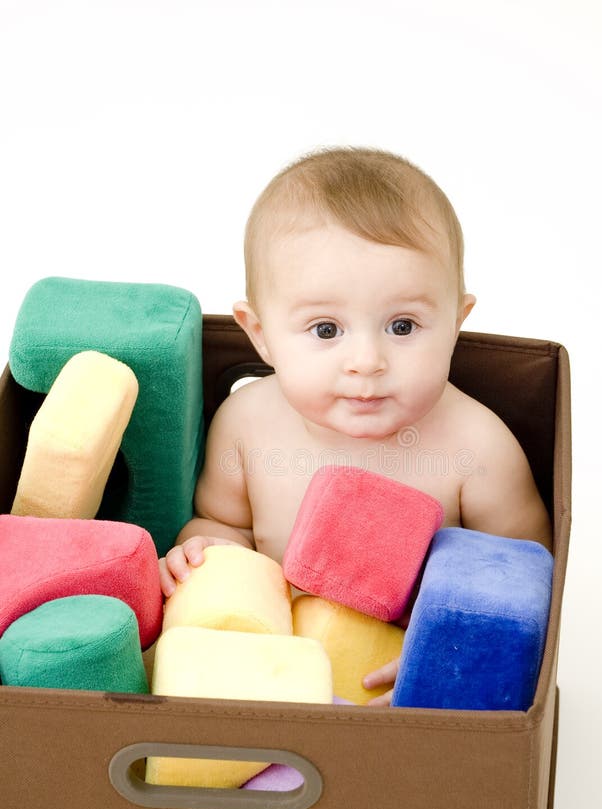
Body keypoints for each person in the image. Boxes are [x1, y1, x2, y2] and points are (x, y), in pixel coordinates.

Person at [159, 146, 552, 705]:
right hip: (268, 671)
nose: (366, 360)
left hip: (403, 685)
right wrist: (196, 554)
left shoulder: (477, 447)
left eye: (402, 324)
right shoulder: (247, 422)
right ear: (260, 333)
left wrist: (449, 654)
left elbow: (523, 578)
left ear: (457, 323)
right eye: (325, 330)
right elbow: (222, 523)